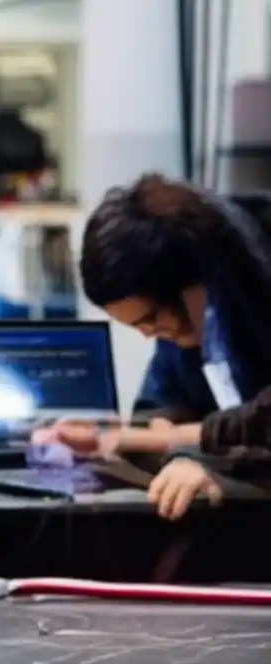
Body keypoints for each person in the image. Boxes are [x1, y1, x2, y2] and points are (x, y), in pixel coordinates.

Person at [33, 173, 271, 520]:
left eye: (151, 318)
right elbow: (166, 407)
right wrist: (108, 439)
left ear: (192, 282)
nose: (149, 334)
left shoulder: (245, 272)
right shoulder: (190, 308)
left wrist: (204, 460)